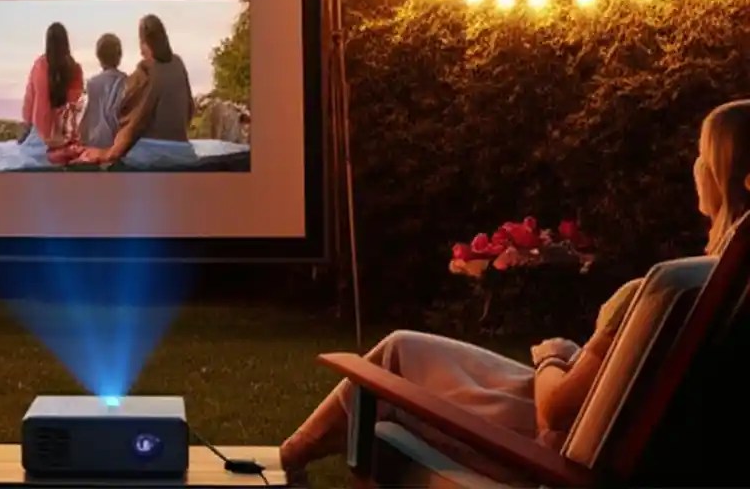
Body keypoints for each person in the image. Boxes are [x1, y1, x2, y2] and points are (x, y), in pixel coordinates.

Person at [279, 98, 750, 475]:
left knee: (386, 374)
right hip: (583, 412)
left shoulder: (664, 289)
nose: (693, 167)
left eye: (702, 157)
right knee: (402, 347)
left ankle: (287, 459)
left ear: (724, 178)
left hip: (545, 448)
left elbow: (557, 413)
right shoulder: (717, 283)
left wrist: (553, 355)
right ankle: (294, 451)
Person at [79, 14, 197, 166]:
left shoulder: (146, 71)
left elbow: (134, 125)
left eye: (142, 43)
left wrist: (107, 153)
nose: (141, 51)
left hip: (152, 154)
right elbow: (189, 108)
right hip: (184, 151)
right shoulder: (178, 63)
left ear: (148, 43)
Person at [20, 22, 84, 158]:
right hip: (65, 138)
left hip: (40, 137)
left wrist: (26, 127)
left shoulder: (39, 65)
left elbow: (29, 100)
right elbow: (77, 107)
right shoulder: (75, 69)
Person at [79, 33, 128, 149]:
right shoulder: (127, 82)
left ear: (98, 57)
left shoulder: (90, 84)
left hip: (93, 146)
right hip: (118, 145)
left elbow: (84, 121)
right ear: (119, 55)